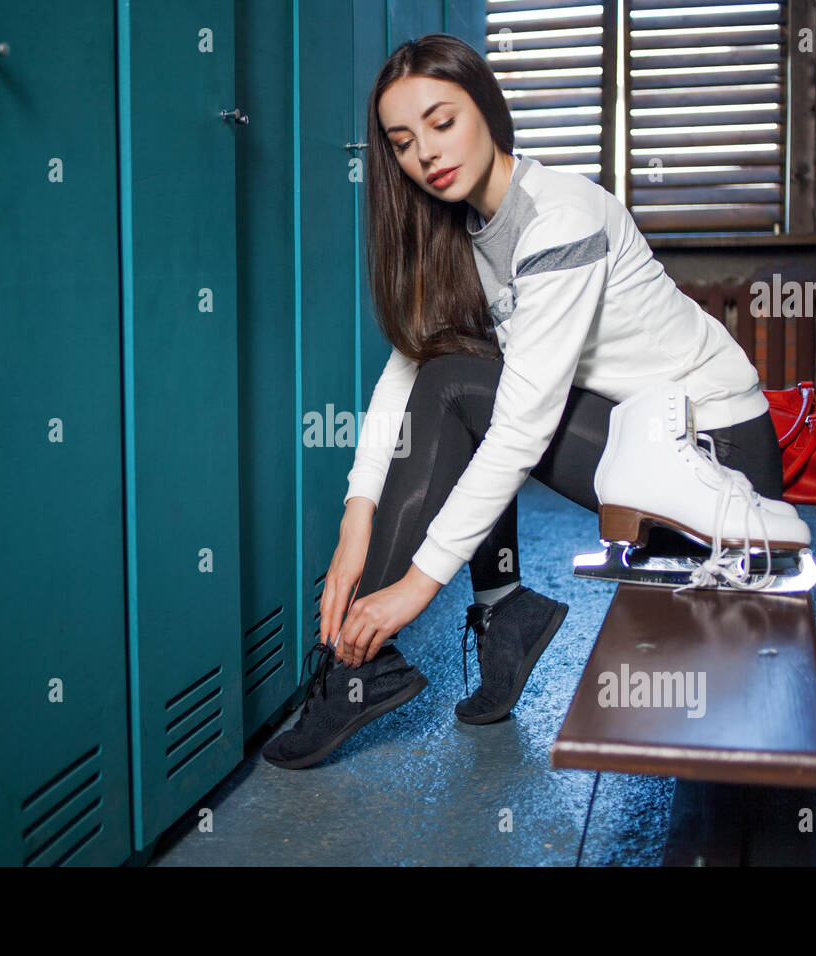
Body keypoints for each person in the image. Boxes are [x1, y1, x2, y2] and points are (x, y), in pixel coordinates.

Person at [262, 34, 787, 770]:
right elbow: (404, 371)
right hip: (644, 443)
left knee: (467, 394)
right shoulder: (468, 235)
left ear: (485, 106)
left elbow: (520, 429)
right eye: (404, 141)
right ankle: (505, 611)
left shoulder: (560, 216)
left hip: (715, 460)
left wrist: (414, 590)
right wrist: (359, 514)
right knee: (451, 373)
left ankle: (358, 671)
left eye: (442, 122)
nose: (427, 154)